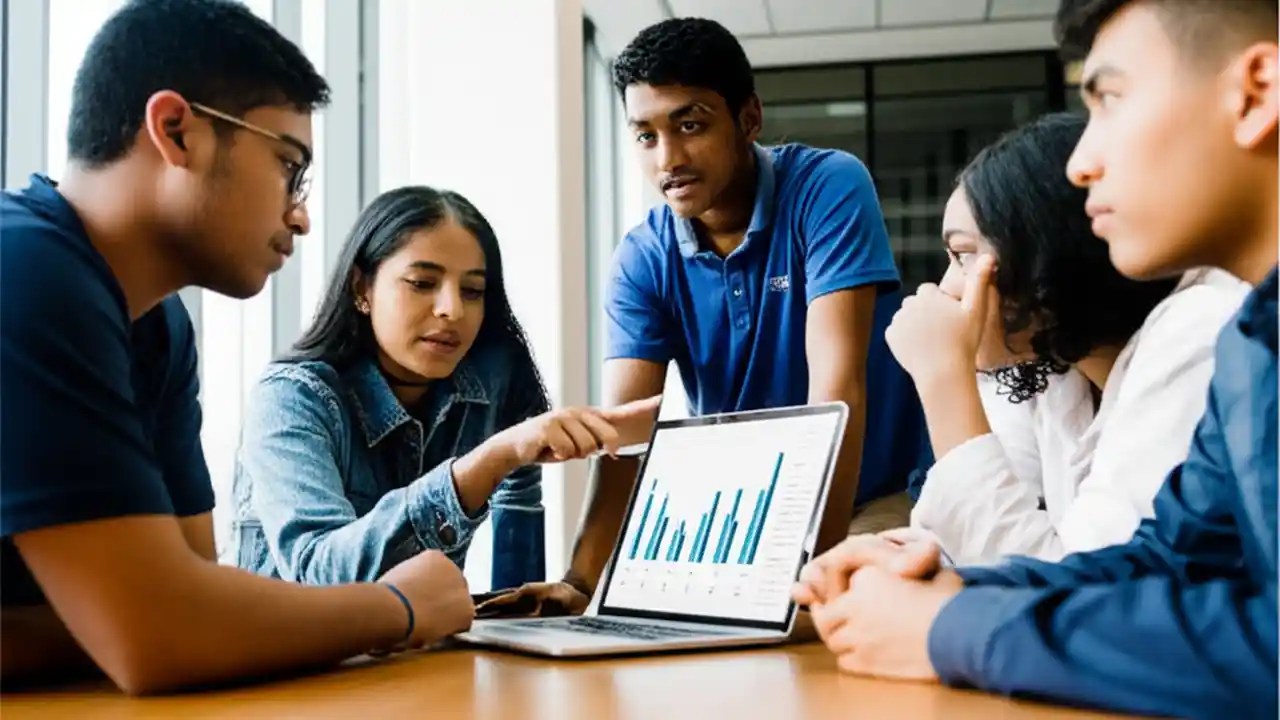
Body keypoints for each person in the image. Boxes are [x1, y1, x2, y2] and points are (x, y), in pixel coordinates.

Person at [791, 1, 1277, 718]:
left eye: (1111, 98)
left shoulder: (1207, 328)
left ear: (1256, 92)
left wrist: (948, 627)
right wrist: (954, 593)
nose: (1082, 165)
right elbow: (1161, 564)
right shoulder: (1250, 340)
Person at [0, 0, 473, 695]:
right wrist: (399, 607)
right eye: (289, 165)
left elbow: (190, 593)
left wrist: (149, 615)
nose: (302, 215)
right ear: (175, 131)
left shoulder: (158, 326)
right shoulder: (26, 273)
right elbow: (165, 632)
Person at [480, 17, 929, 616]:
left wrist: (803, 578)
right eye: (645, 135)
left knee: (840, 621)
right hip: (754, 513)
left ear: (748, 119)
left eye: (690, 125)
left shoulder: (827, 188)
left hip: (878, 494)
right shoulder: (643, 258)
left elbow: (836, 395)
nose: (669, 158)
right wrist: (580, 582)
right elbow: (623, 437)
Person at [229, 186, 659, 590]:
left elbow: (518, 531)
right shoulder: (291, 399)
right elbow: (320, 574)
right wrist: (487, 461)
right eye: (422, 283)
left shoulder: (492, 380)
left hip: (419, 653)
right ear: (361, 287)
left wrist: (531, 623)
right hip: (291, 660)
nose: (452, 309)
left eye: (473, 291)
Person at [895, 112, 1248, 564]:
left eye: (964, 255)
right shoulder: (1053, 362)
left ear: (1048, 250)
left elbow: (1075, 584)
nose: (946, 288)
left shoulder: (1198, 336)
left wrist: (944, 378)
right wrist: (898, 556)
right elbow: (957, 538)